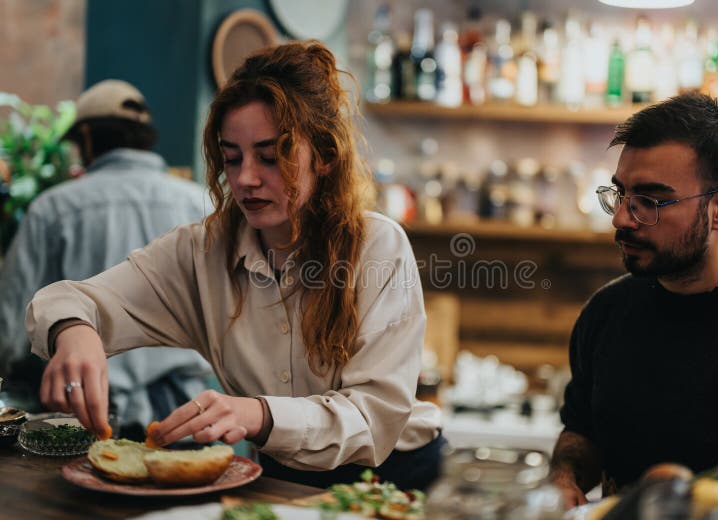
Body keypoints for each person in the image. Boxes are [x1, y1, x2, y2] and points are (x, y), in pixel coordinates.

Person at [25, 41, 443, 490]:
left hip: (390, 473)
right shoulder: (202, 252)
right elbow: (65, 299)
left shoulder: (378, 247)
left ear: (324, 155)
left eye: (270, 156)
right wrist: (75, 332)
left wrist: (257, 413)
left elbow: (372, 419)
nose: (245, 178)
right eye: (231, 157)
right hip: (280, 473)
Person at [550, 93, 718, 506]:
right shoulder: (606, 312)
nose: (621, 218)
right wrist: (566, 476)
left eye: (650, 200)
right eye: (620, 194)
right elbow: (583, 429)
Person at [0, 79, 213, 439]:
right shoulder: (203, 204)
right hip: (191, 420)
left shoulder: (54, 208)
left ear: (86, 137)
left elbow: (9, 326)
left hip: (84, 419)